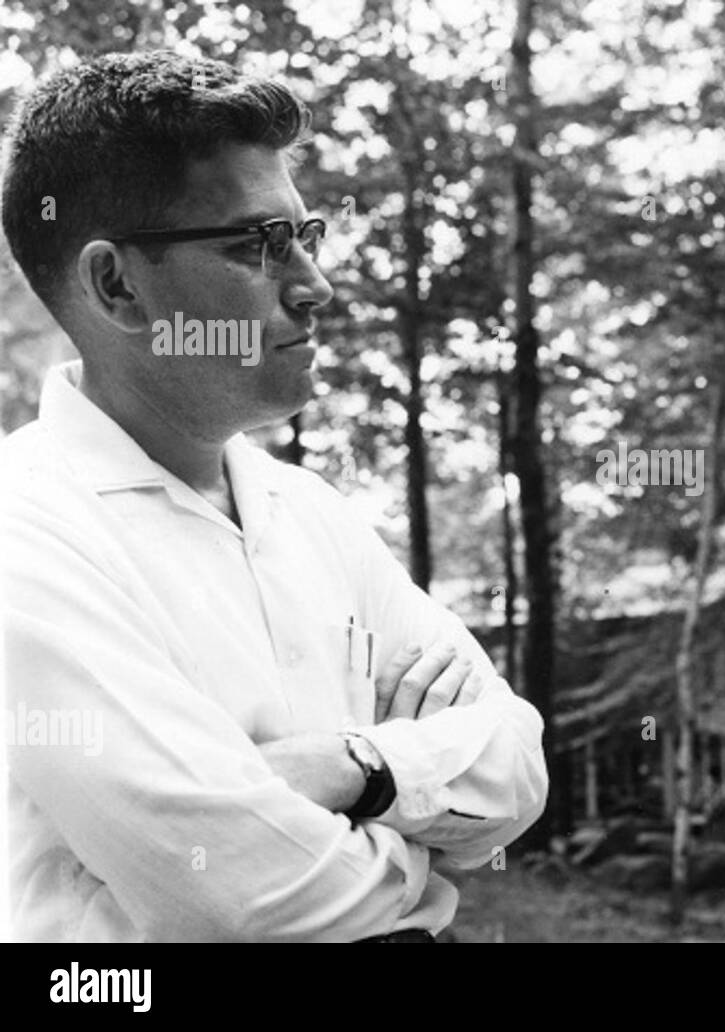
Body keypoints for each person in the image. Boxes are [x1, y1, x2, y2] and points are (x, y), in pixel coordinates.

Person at [0, 51, 546, 942]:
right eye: (258, 244)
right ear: (116, 285)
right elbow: (239, 900)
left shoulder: (314, 513)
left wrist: (352, 765)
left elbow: (517, 764)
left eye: (307, 234)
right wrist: (421, 852)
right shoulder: (26, 535)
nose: (315, 284)